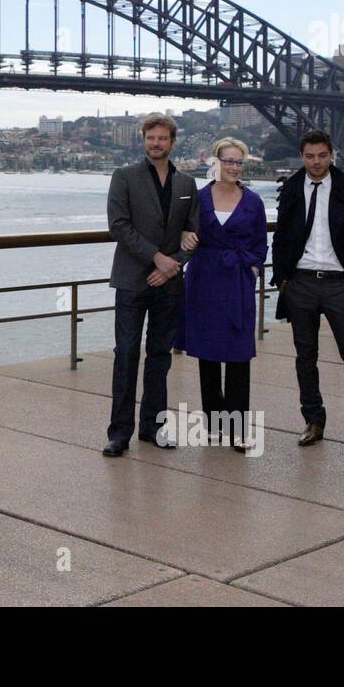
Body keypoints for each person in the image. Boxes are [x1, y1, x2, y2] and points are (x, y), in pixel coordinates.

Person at [270, 129, 344, 457]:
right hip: (301, 284)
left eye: (322, 156)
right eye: (310, 156)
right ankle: (314, 422)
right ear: (302, 156)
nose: (316, 162)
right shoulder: (292, 188)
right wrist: (282, 280)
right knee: (305, 358)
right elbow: (280, 237)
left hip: (340, 285)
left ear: (331, 154)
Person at [103, 113, 200, 455]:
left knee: (160, 357)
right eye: (150, 138)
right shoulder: (124, 176)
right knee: (126, 354)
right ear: (143, 140)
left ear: (172, 142)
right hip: (132, 281)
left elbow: (193, 234)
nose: (156, 143)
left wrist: (172, 267)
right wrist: (157, 258)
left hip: (169, 284)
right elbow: (118, 225)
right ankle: (119, 433)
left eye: (162, 138)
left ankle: (153, 427)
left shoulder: (187, 184)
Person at [174, 138, 267, 452]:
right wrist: (184, 234)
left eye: (239, 162)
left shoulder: (253, 201)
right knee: (209, 353)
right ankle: (214, 425)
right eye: (228, 161)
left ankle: (238, 428)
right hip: (204, 279)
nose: (233, 167)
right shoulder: (197, 199)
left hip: (237, 279)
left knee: (239, 353)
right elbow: (181, 229)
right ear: (215, 162)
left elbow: (259, 244)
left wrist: (252, 269)